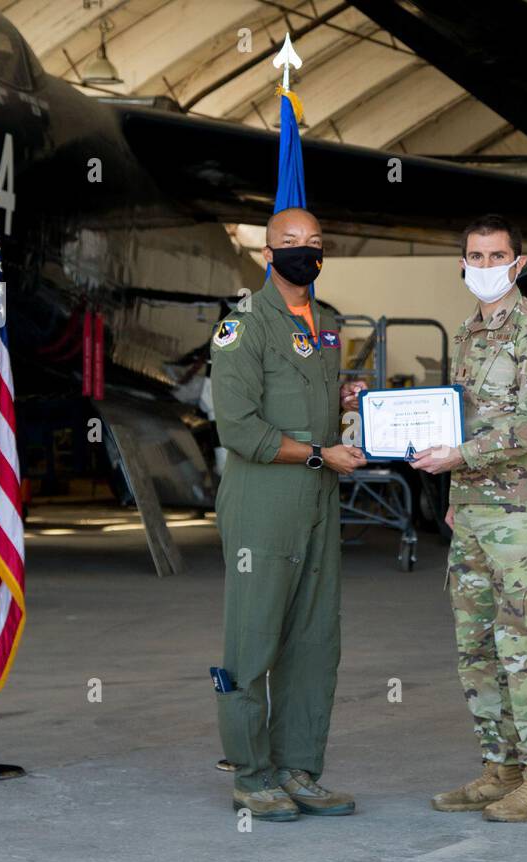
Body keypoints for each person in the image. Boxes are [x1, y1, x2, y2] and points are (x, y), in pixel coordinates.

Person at [411, 213, 527, 823]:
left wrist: (464, 455)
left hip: (524, 518)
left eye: (495, 256)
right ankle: (500, 768)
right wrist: (455, 487)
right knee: (476, 646)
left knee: (525, 644)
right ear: (463, 263)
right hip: (475, 513)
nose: (484, 267)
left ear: (518, 262)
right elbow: (461, 416)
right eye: (474, 256)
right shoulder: (467, 333)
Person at [209, 206, 366, 821]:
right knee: (253, 639)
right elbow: (239, 428)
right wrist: (320, 453)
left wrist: (343, 396)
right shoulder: (243, 325)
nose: (305, 250)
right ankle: (251, 774)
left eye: (316, 242)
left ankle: (298, 768)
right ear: (268, 254)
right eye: (291, 242)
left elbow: (309, 395)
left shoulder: (326, 323)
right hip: (265, 499)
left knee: (313, 638)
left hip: (319, 497)